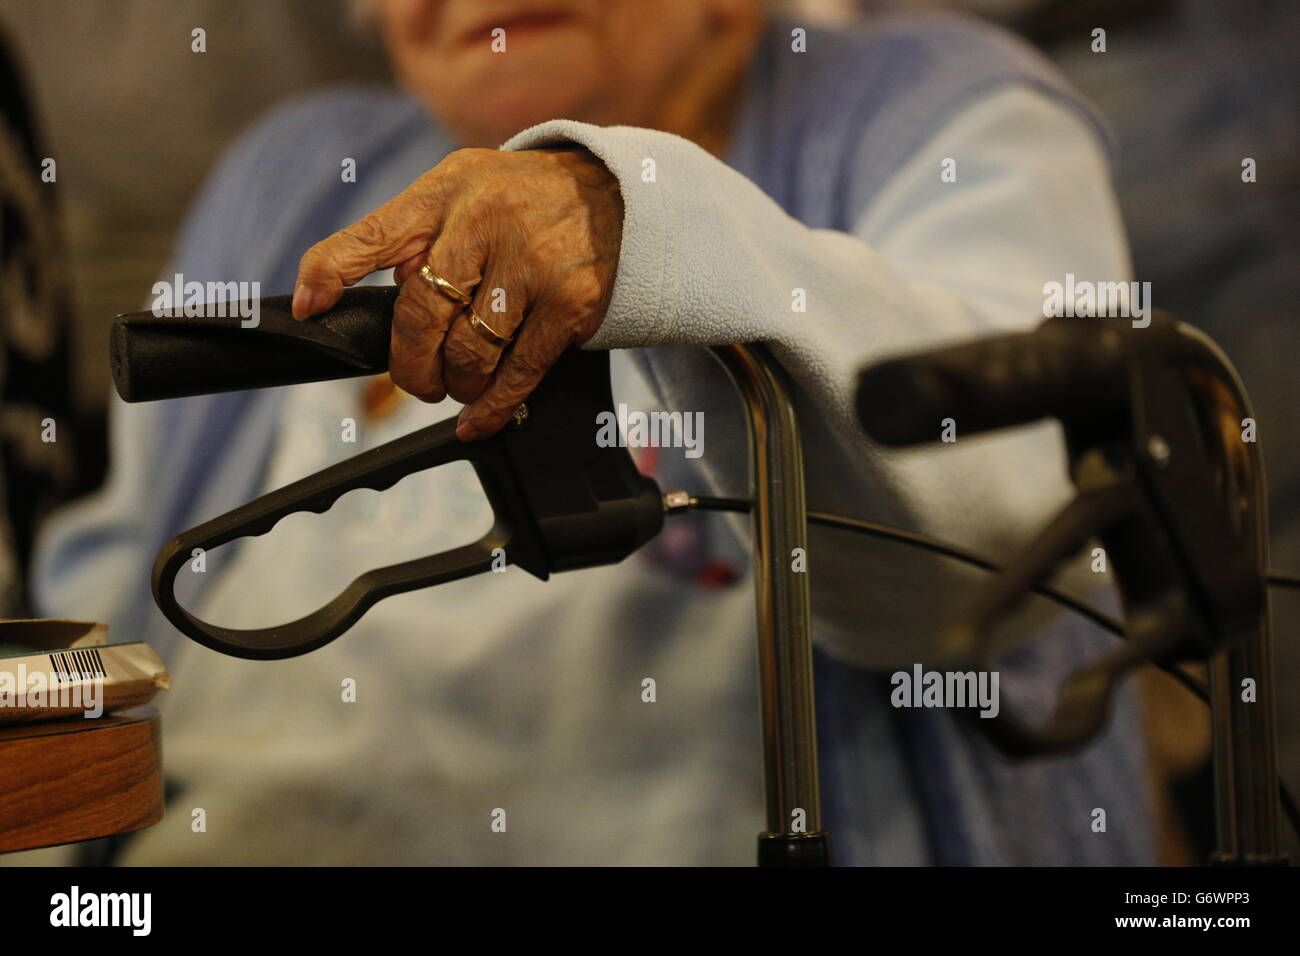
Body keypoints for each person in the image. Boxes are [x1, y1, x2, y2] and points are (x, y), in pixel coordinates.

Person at [34, 0, 1153, 864]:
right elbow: (115, 587)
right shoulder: (292, 166)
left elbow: (992, 534)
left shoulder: (938, 105)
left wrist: (641, 221)